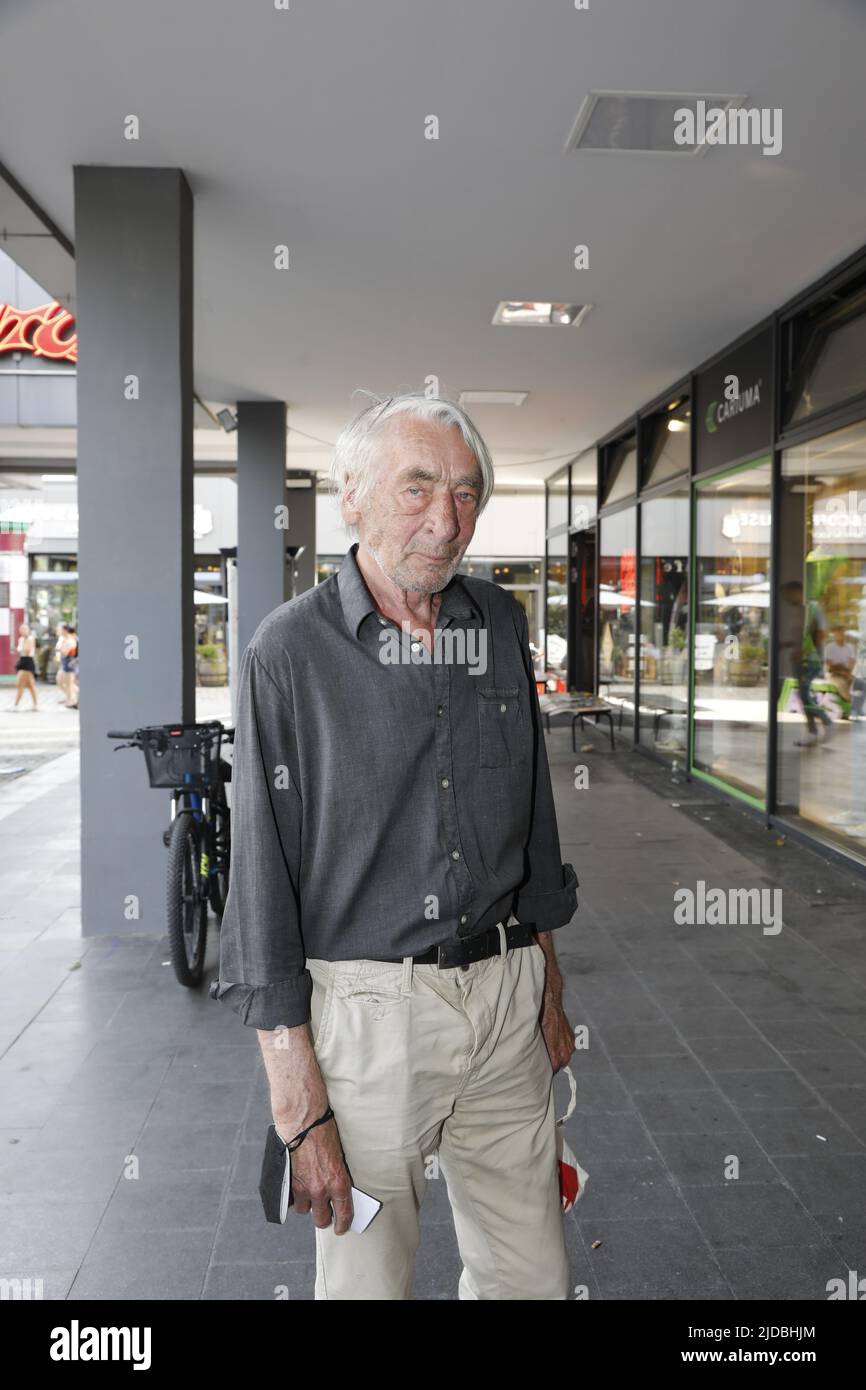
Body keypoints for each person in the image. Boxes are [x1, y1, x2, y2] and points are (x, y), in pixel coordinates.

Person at [211, 392, 579, 1301]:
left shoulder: (496, 623)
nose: (446, 520)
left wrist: (547, 975)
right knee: (369, 1283)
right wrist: (298, 1102)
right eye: (418, 488)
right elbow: (260, 880)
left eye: (465, 493)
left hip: (504, 998)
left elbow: (530, 808)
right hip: (370, 1014)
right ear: (353, 497)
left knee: (533, 1277)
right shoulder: (287, 653)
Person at [779, 579, 832, 746]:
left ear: (796, 592)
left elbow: (821, 634)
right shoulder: (799, 611)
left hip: (810, 661)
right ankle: (812, 731)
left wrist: (804, 652)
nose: (785, 598)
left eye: (787, 594)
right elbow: (801, 637)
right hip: (800, 659)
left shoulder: (813, 609)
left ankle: (826, 722)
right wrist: (786, 645)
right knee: (803, 695)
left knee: (804, 695)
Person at [824, 624, 856, 707]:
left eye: (843, 632)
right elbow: (830, 667)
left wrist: (847, 672)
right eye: (839, 632)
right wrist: (842, 670)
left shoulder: (850, 647)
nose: (841, 634)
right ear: (835, 634)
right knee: (843, 684)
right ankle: (851, 705)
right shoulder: (830, 647)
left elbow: (851, 663)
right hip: (834, 675)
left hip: (846, 674)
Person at [13, 621, 39, 710]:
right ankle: (35, 705)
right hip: (23, 661)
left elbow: (27, 650)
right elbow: (21, 651)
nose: (22, 630)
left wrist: (22, 648)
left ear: (28, 630)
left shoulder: (30, 639)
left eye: (25, 629)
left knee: (19, 683)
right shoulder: (21, 639)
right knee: (31, 685)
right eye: (21, 629)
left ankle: (16, 705)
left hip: (27, 662)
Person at [64, 626, 79, 708]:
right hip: (75, 662)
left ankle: (76, 701)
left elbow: (78, 653)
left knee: (75, 682)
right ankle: (75, 701)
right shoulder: (75, 639)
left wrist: (74, 661)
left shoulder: (76, 640)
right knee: (74, 682)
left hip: (76, 662)